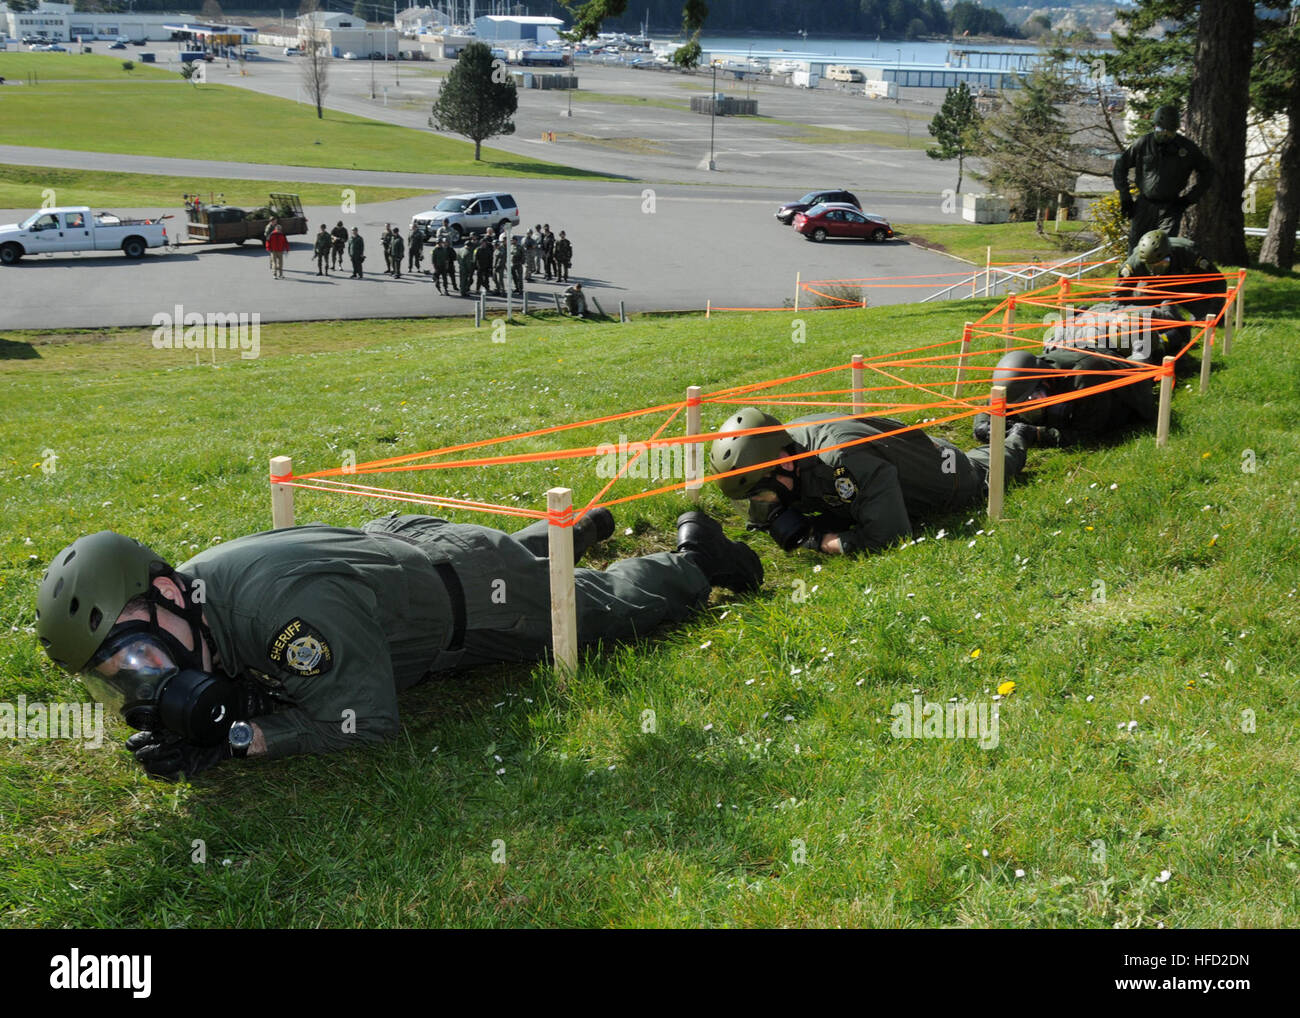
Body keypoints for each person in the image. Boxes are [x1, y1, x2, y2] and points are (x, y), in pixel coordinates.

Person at [34, 510, 761, 779]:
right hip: (404, 549)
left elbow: (365, 721)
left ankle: (695, 559)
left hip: (469, 595)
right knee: (516, 559)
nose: (140, 683)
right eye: (116, 677)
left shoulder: (287, 616)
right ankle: (565, 534)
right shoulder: (191, 593)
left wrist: (236, 740)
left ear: (163, 597)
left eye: (138, 658)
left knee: (601, 609)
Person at [708, 406, 1034, 555]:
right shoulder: (784, 443)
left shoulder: (839, 460)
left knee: (990, 470)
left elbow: (890, 536)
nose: (758, 505)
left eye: (759, 495)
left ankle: (1019, 435)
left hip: (948, 478)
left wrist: (821, 541)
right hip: (903, 454)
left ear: (781, 464)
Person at [970, 348, 1158, 449]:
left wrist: (1036, 434)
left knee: (1146, 359)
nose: (1027, 406)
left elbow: (1088, 434)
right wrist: (984, 424)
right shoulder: (1023, 380)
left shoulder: (1084, 380)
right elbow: (995, 401)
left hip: (1124, 378)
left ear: (1046, 381)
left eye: (1030, 399)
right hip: (1084, 352)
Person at [1112, 228, 1226, 366]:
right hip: (1154, 289)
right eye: (1151, 266)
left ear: (1169, 254)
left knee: (1210, 320)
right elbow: (1118, 294)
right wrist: (1118, 317)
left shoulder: (1188, 252)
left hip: (1188, 288)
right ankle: (1167, 324)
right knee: (1146, 317)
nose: (1156, 269)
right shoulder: (1134, 262)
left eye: (1162, 263)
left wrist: (1214, 311)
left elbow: (1218, 281)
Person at [1112, 103, 1214, 254]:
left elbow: (1207, 173)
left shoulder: (1186, 149)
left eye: (1169, 132)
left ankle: (1158, 278)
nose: (1164, 135)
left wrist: (1189, 199)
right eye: (1160, 130)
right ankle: (1129, 278)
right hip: (1143, 206)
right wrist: (1125, 197)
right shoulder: (1143, 143)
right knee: (1136, 250)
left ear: (1176, 130)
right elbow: (1120, 167)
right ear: (1155, 126)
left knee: (1161, 250)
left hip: (1171, 208)